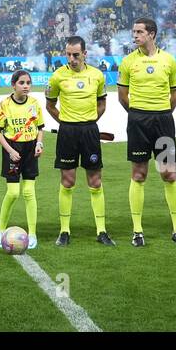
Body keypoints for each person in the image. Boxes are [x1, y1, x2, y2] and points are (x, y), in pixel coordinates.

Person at [118, 18, 176, 247]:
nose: (135, 35)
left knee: (168, 174)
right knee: (139, 174)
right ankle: (137, 231)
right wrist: (138, 113)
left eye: (139, 31)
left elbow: (175, 95)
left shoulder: (168, 60)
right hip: (138, 120)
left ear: (152, 34)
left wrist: (162, 113)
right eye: (134, 31)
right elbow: (122, 96)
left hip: (163, 122)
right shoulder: (128, 62)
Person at [46, 36, 112, 246]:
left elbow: (102, 103)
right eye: (68, 54)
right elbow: (50, 105)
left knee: (95, 181)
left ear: (85, 54)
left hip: (90, 131)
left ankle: (101, 231)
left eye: (76, 54)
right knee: (68, 181)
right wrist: (65, 122)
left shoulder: (97, 75)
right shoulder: (57, 76)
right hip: (67, 132)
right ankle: (64, 231)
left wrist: (90, 122)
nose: (72, 58)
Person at [0, 71, 44, 249]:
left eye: (28, 82)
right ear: (13, 85)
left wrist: (39, 144)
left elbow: (40, 128)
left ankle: (32, 234)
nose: (26, 86)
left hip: (31, 150)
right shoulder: (5, 105)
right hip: (12, 149)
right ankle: (0, 230)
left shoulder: (34, 104)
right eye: (22, 82)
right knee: (14, 192)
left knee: (29, 192)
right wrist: (10, 151)